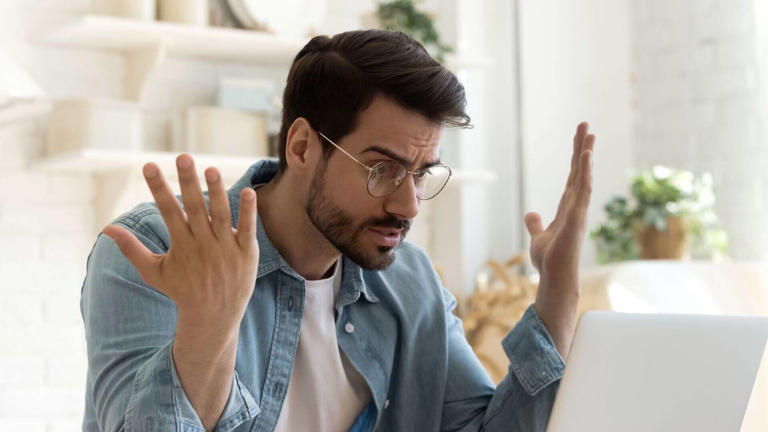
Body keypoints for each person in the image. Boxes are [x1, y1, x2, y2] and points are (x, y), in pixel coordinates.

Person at [81, 29, 595, 432]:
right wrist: (209, 327)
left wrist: (558, 292)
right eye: (382, 170)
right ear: (303, 147)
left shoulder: (410, 281)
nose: (408, 204)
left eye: (421, 174)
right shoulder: (157, 253)